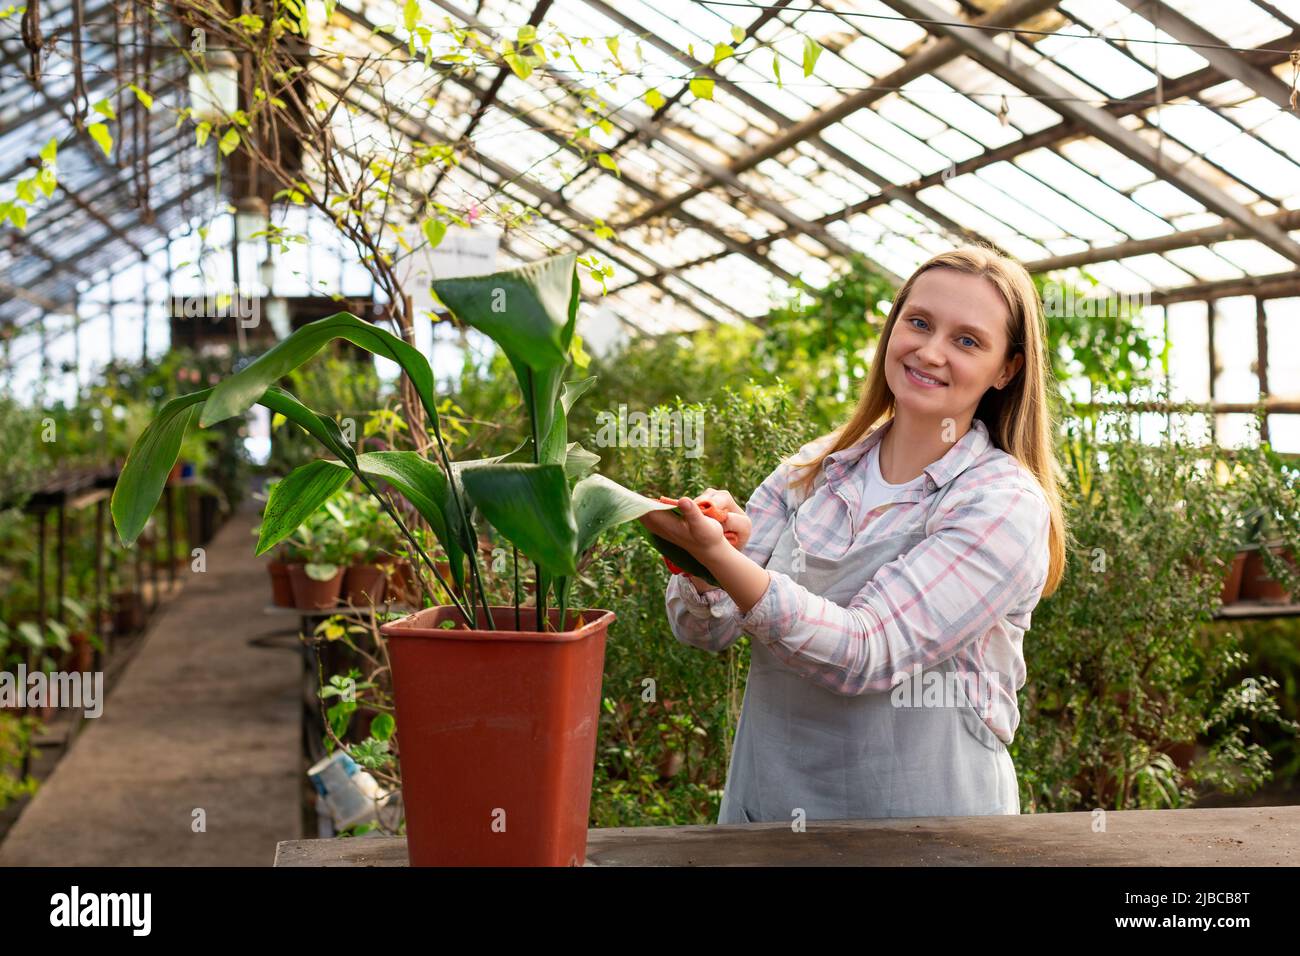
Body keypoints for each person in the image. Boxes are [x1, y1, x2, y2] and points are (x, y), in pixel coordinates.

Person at [638, 246, 1067, 825]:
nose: (931, 351)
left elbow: (867, 652)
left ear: (1007, 369)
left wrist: (724, 560)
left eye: (968, 341)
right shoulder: (814, 468)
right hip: (768, 818)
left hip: (925, 830)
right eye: (918, 322)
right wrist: (713, 553)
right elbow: (700, 631)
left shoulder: (1001, 504)